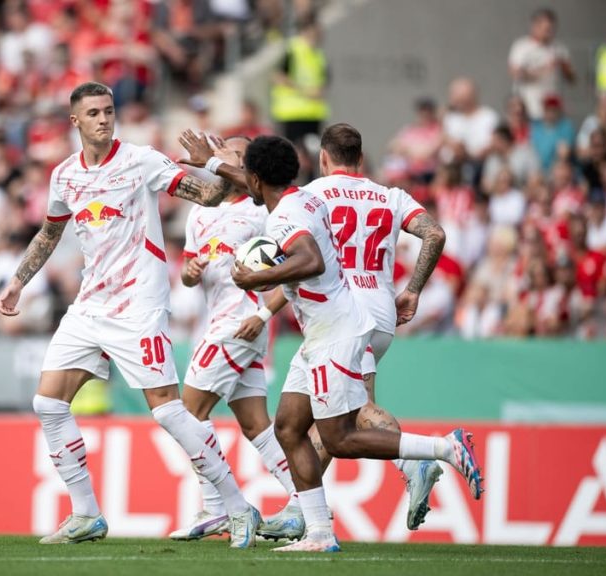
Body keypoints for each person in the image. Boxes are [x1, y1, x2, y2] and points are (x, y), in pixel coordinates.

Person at [0, 82, 261, 547]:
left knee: (168, 412)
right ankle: (86, 514)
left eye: (109, 110)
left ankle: (238, 507)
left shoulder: (141, 160)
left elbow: (208, 196)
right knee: (48, 403)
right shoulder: (64, 176)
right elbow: (48, 234)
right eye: (93, 112)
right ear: (75, 121)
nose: (103, 118)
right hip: (90, 304)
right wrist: (19, 280)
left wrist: (213, 167)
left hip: (139, 305)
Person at [215, 134, 483, 552]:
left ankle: (445, 448)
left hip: (336, 329)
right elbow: (434, 233)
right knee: (288, 426)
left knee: (339, 436)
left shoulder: (294, 209)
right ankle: (318, 531)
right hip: (351, 318)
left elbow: (311, 260)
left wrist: (255, 277)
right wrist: (215, 165)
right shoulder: (311, 198)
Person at [298, 123, 448, 531]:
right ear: (361, 159)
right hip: (381, 308)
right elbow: (434, 234)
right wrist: (413, 290)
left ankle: (412, 462)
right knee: (326, 415)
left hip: (344, 312)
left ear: (324, 159)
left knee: (356, 408)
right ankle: (301, 507)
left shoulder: (312, 194)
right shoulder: (389, 196)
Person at [170, 135, 304, 542]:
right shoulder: (200, 215)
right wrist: (190, 274)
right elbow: (190, 273)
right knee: (256, 426)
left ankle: (221, 507)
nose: (226, 158)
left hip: (241, 324)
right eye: (227, 151)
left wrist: (264, 314)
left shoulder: (263, 212)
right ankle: (305, 502)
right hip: (216, 323)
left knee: (186, 412)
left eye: (236, 155)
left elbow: (298, 269)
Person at [271, 12, 328, 151]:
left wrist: (318, 91)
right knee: (292, 152)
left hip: (313, 113)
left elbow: (323, 82)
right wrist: (305, 91)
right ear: (307, 30)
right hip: (292, 113)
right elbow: (277, 76)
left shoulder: (318, 54)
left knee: (313, 152)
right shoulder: (292, 50)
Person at [509, 8, 574, 120]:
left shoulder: (559, 48)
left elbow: (572, 80)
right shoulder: (522, 47)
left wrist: (565, 68)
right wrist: (543, 69)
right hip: (529, 109)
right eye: (546, 29)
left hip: (552, 111)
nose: (549, 33)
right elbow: (515, 73)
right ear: (535, 26)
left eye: (552, 29)